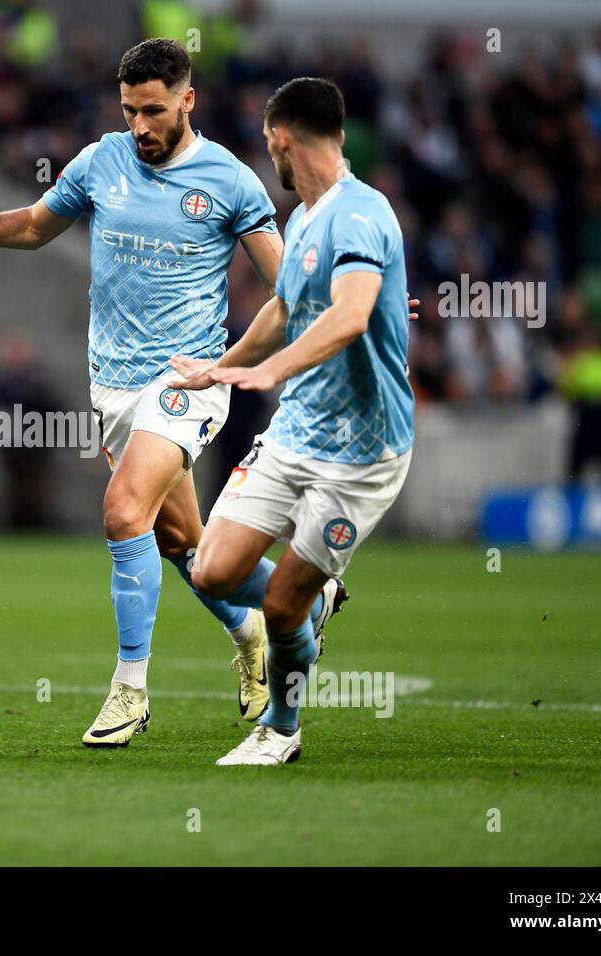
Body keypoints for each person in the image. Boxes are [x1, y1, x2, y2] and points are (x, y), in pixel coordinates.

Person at [0, 38, 341, 748]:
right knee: (193, 555)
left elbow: (288, 282)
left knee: (123, 512)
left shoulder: (232, 181)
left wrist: (357, 305)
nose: (141, 126)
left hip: (188, 380)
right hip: (115, 388)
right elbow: (34, 226)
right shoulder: (101, 161)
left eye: (154, 110)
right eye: (130, 112)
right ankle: (283, 610)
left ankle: (129, 690)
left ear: (188, 100)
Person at [171, 77, 414, 766]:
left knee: (278, 608)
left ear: (281, 140)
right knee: (213, 571)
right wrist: (223, 365)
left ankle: (280, 728)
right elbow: (284, 309)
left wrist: (272, 372)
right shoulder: (305, 216)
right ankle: (318, 596)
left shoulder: (362, 215)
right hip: (299, 430)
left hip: (360, 455)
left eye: (267, 144)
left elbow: (352, 313)